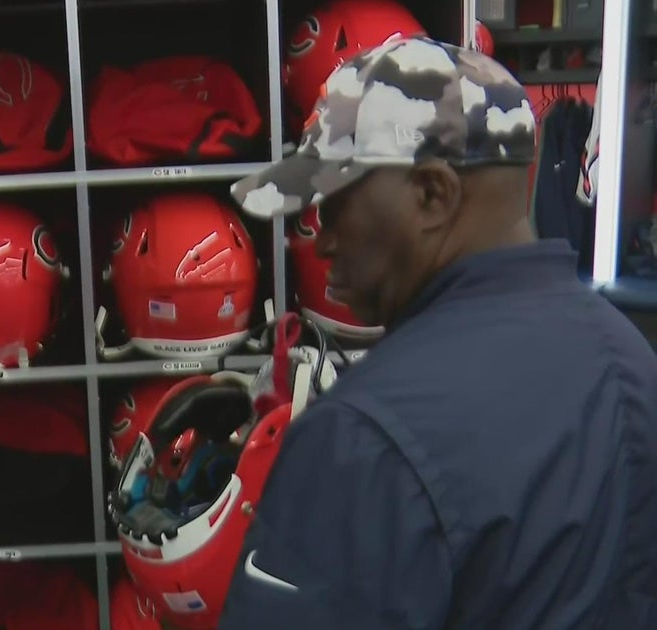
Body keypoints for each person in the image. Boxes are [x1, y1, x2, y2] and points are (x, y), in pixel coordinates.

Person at [219, 36, 657, 629]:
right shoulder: (629, 357)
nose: (321, 241)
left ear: (432, 194)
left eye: (336, 205)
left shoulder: (363, 436)